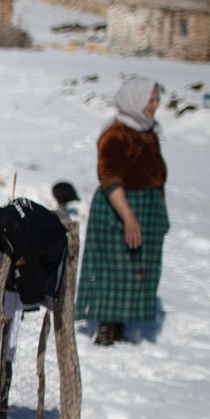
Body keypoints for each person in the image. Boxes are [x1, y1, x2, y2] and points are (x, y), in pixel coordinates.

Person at [75, 76, 170, 345]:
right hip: (118, 208)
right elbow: (110, 178)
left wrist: (159, 214)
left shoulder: (147, 131)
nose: (155, 105)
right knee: (114, 266)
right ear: (135, 100)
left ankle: (122, 323)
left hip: (147, 206)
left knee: (137, 267)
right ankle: (106, 325)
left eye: (155, 99)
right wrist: (128, 217)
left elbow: (156, 175)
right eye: (150, 100)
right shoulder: (116, 135)